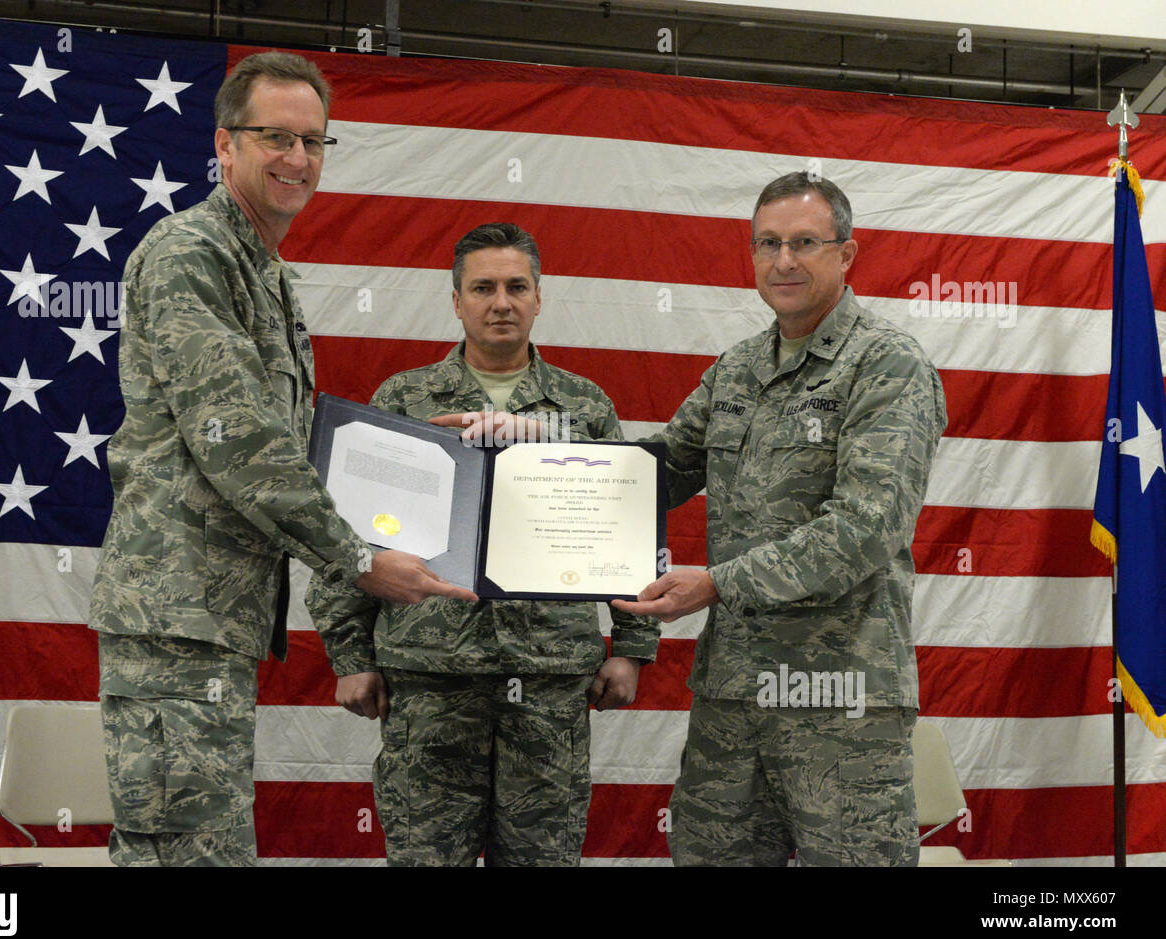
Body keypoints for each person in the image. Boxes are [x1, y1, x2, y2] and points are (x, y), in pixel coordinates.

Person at [88, 51, 475, 867]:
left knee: (200, 845)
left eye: (314, 141)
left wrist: (406, 454)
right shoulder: (194, 254)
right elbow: (238, 442)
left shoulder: (261, 268)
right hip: (177, 620)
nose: (297, 158)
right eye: (275, 137)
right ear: (225, 145)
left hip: (211, 619)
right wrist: (358, 557)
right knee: (184, 851)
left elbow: (279, 434)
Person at [614, 172, 947, 866]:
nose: (783, 260)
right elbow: (651, 476)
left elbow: (864, 527)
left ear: (847, 254)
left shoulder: (886, 365)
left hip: (841, 702)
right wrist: (525, 455)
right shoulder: (735, 371)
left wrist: (718, 584)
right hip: (734, 701)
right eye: (768, 243)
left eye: (804, 242)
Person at [305, 222, 661, 866]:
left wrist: (632, 650)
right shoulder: (405, 400)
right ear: (457, 300)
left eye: (517, 286)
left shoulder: (583, 407)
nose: (502, 302)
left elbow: (628, 529)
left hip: (548, 684)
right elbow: (351, 534)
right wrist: (349, 653)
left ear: (539, 296)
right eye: (484, 287)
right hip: (429, 682)